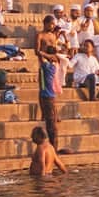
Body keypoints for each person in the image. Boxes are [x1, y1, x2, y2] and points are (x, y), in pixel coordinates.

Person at [37, 15, 64, 146]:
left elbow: (54, 50)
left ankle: (52, 114)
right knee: (43, 89)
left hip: (49, 64)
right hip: (45, 64)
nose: (52, 26)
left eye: (54, 24)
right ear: (45, 23)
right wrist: (47, 55)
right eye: (51, 24)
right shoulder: (40, 35)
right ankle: (44, 113)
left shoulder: (53, 37)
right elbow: (37, 51)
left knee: (48, 90)